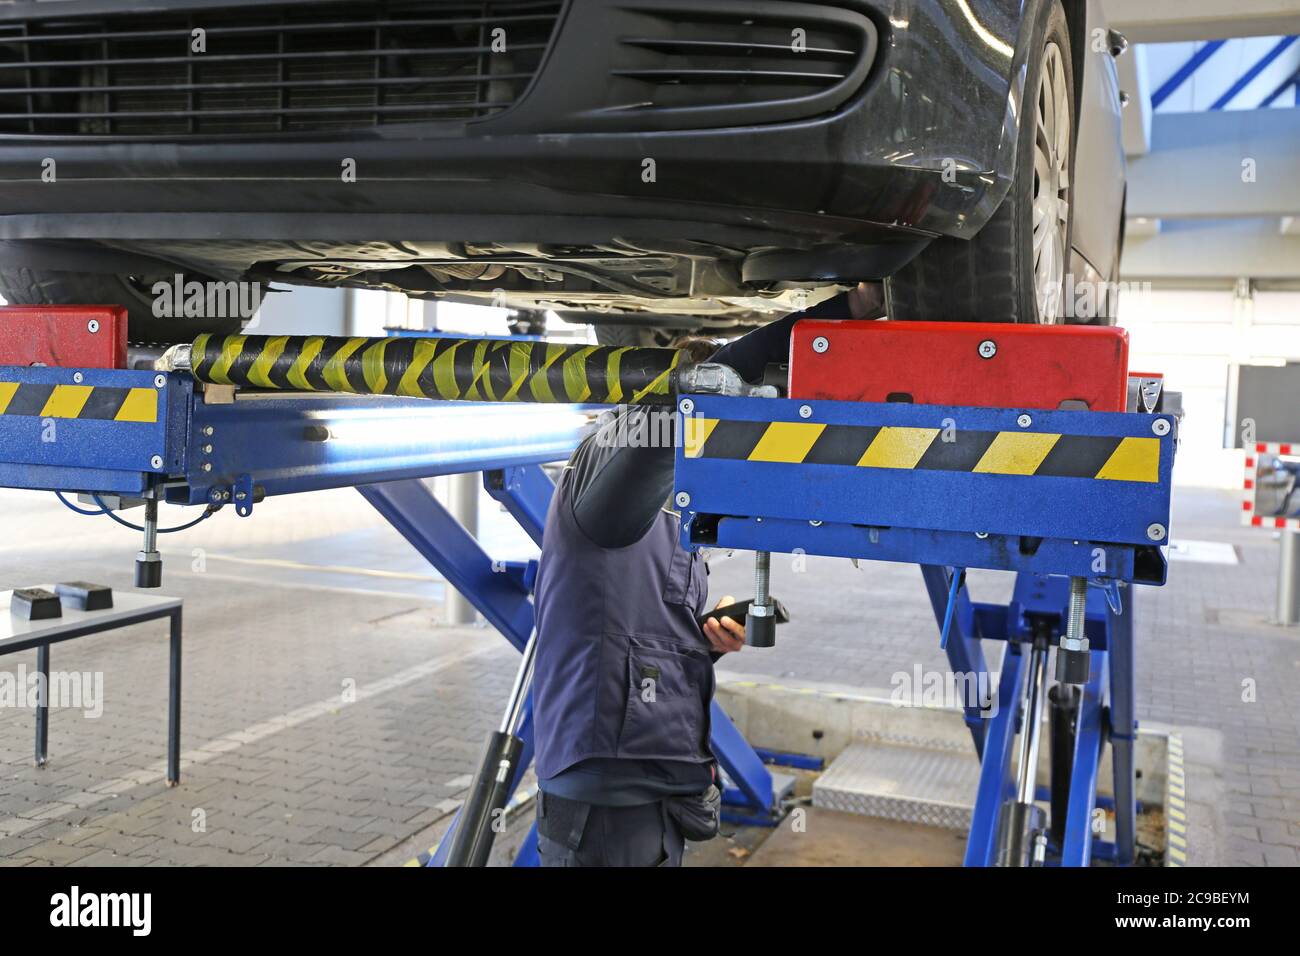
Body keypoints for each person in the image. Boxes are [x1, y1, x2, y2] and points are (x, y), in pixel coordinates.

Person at [532, 284, 885, 866]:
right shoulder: (611, 462)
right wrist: (843, 311)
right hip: (606, 797)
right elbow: (691, 393)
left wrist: (705, 638)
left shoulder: (673, 505)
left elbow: (632, 629)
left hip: (649, 780)